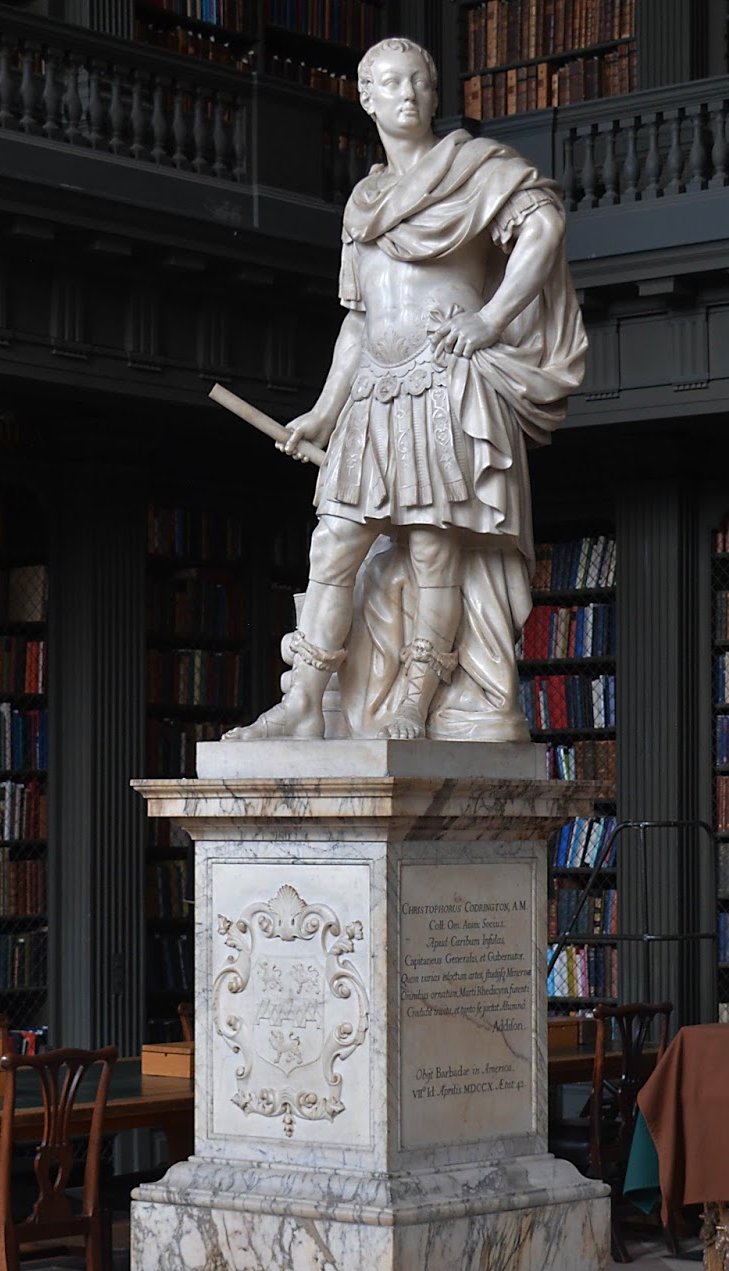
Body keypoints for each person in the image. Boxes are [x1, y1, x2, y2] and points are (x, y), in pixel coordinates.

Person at [225, 36, 586, 743]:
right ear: (365, 96)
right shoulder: (363, 202)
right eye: (391, 83)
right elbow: (357, 324)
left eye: (420, 81)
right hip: (372, 396)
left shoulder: (476, 169)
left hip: (442, 382)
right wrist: (323, 414)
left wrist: (489, 320)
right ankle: (305, 699)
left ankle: (417, 697)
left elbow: (544, 226)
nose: (409, 95)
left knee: (431, 548)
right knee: (333, 544)